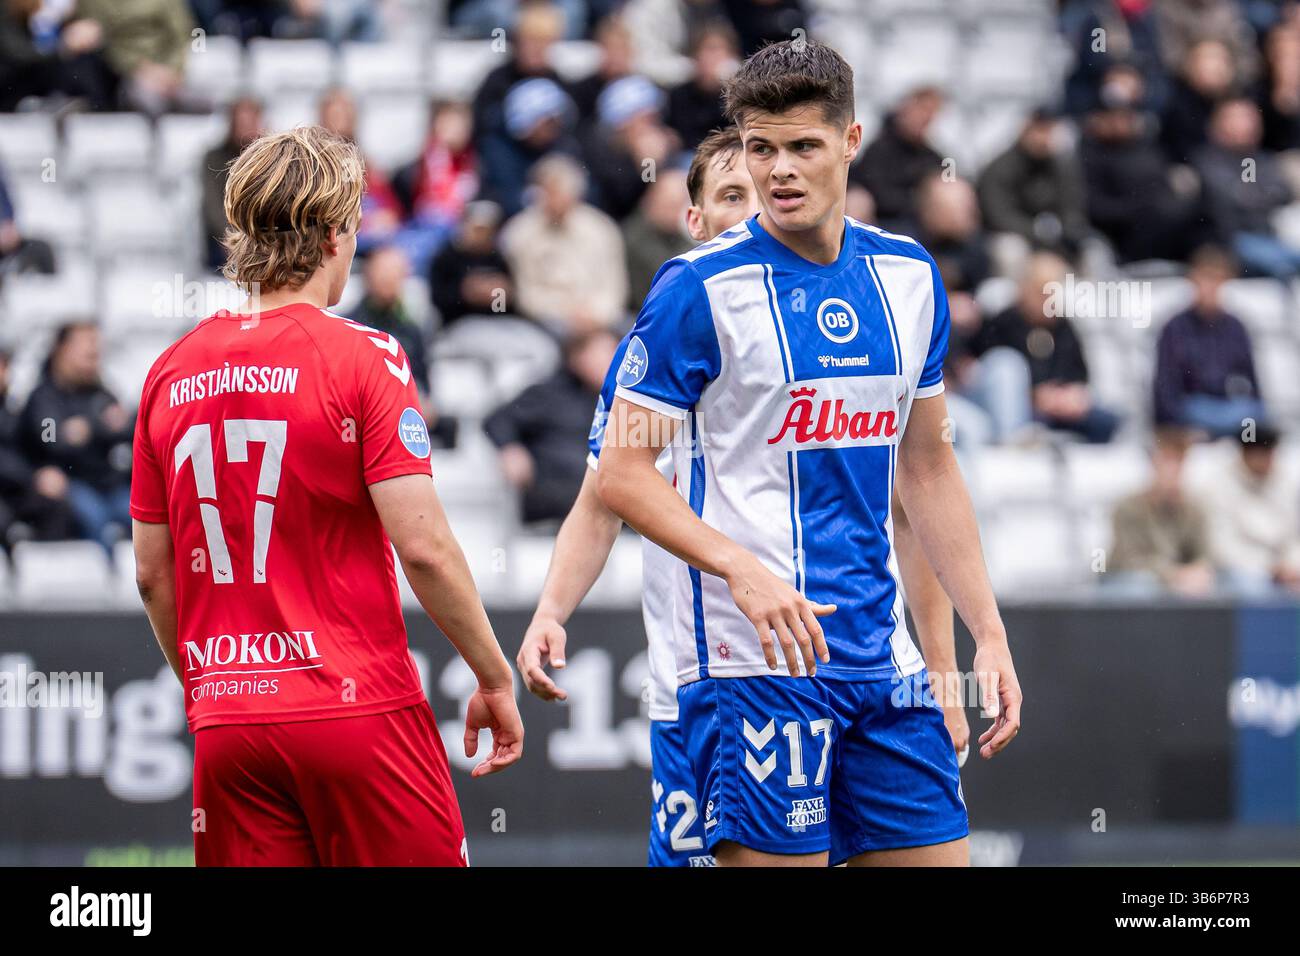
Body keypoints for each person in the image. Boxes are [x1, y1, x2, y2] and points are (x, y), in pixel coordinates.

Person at [596, 40, 1020, 867]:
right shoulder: (697, 289)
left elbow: (927, 467)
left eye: (802, 147)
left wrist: (987, 632)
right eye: (761, 149)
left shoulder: (908, 275)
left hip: (882, 660)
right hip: (757, 664)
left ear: (851, 141)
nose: (778, 170)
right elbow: (620, 473)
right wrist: (738, 568)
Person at [517, 125, 971, 866]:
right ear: (692, 220)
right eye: (730, 195)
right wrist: (551, 609)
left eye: (758, 189)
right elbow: (605, 495)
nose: (754, 202)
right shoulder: (678, 324)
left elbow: (908, 501)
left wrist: (942, 663)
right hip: (711, 670)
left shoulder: (853, 323)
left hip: (861, 658)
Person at [130, 126, 522, 867]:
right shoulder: (364, 353)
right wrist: (492, 674)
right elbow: (424, 548)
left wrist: (213, 695)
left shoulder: (168, 372)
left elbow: (153, 575)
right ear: (338, 233)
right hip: (354, 708)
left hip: (227, 721)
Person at [971, 252, 1120, 443]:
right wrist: (1036, 395)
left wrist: (1069, 396)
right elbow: (989, 379)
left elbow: (1079, 374)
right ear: (1024, 288)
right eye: (1041, 292)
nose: (1048, 300)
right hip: (1021, 410)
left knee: (1107, 420)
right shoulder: (1002, 323)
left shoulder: (1064, 327)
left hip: (1058, 409)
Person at [483, 328, 618, 525]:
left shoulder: (621, 401)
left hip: (604, 495)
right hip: (552, 494)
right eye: (602, 353)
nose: (610, 360)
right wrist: (510, 448)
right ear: (576, 357)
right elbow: (497, 420)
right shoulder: (548, 394)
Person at [20, 322, 133, 550]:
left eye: (97, 353)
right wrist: (100, 426)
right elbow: (52, 440)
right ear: (61, 351)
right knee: (95, 518)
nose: (94, 358)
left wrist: (86, 429)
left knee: (149, 515)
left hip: (110, 484)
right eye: (87, 352)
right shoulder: (43, 397)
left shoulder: (101, 392)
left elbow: (126, 428)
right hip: (72, 485)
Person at [498, 153, 627, 334]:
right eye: (551, 192)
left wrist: (597, 315)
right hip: (548, 320)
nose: (557, 201)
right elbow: (526, 295)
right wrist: (567, 312)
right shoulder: (519, 234)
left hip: (600, 316)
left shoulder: (601, 229)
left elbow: (614, 288)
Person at [1153, 245, 1263, 437]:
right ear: (1193, 280)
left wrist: (1253, 432)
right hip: (1191, 409)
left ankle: (1248, 450)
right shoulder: (1175, 328)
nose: (1210, 287)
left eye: (1217, 280)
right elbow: (1166, 388)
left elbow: (1251, 382)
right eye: (1206, 279)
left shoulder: (1235, 327)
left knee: (1252, 416)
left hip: (1229, 409)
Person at [1193, 96, 1300, 278]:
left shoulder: (1259, 159)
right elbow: (1231, 197)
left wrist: (1252, 194)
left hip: (1269, 237)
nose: (1247, 124)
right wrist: (1255, 195)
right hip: (1227, 241)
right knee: (1277, 262)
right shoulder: (1208, 159)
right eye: (1238, 118)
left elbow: (1282, 192)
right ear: (1218, 123)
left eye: (1250, 118)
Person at [1108, 428, 1215, 596]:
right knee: (1140, 585)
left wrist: (1198, 570)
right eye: (1166, 461)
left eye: (1178, 462)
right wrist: (1172, 574)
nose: (1171, 470)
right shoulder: (1128, 507)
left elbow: (1203, 554)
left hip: (1178, 582)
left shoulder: (1194, 508)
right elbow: (1130, 560)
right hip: (1128, 581)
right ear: (1153, 465)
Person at [977, 108, 1091, 262]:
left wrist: (1063, 229)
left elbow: (1073, 207)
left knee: (1092, 248)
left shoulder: (1062, 166)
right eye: (1039, 130)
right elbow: (997, 216)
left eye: (1049, 131)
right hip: (1015, 236)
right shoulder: (1000, 168)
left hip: (1057, 236)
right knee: (1010, 250)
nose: (1043, 138)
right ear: (1025, 131)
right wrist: (1035, 230)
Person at [1202, 424, 1300, 595]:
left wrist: (1291, 565)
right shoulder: (1218, 485)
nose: (1265, 459)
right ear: (1244, 453)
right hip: (1242, 571)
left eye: (1268, 452)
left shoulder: (1288, 481)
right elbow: (1222, 545)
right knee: (1250, 586)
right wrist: (1269, 568)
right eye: (1258, 453)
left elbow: (1293, 536)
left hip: (1286, 568)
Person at [0, 348, 76, 547]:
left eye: (5, 365)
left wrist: (48, 469)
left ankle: (49, 571)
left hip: (20, 489)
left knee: (57, 505)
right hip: (13, 488)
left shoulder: (16, 410)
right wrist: (33, 476)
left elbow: (46, 439)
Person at [849, 85, 945, 232]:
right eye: (921, 109)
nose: (925, 117)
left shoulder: (932, 156)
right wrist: (922, 201)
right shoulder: (878, 150)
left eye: (931, 112)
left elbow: (947, 175)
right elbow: (880, 195)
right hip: (885, 223)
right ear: (906, 109)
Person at [201, 97, 264, 272]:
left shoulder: (269, 158)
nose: (247, 127)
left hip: (263, 240)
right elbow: (213, 207)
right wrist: (233, 240)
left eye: (251, 121)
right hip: (224, 242)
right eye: (241, 122)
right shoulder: (214, 158)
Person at [427, 199, 514, 327]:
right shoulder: (447, 258)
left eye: (487, 230)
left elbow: (501, 309)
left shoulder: (498, 259)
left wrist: (498, 295)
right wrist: (465, 293)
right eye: (477, 229)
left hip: (497, 325)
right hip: (457, 324)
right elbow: (438, 302)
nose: (482, 235)